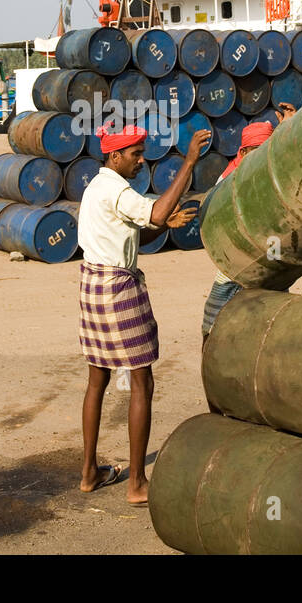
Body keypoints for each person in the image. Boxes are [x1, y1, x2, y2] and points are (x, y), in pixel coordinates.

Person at [76, 121, 211, 506]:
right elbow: (152, 214)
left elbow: (138, 230)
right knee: (142, 383)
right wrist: (188, 163)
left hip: (92, 285)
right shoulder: (118, 189)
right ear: (115, 156)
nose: (141, 160)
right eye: (135, 154)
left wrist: (164, 222)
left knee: (97, 379)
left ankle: (88, 473)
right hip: (118, 289)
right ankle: (136, 483)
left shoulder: (97, 187)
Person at [199, 103, 296, 341]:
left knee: (274, 305)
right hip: (238, 255)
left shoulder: (271, 170)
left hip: (272, 250)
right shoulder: (231, 178)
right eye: (256, 151)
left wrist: (288, 130)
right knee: (215, 315)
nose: (263, 157)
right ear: (243, 153)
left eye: (266, 150)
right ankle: (210, 347)